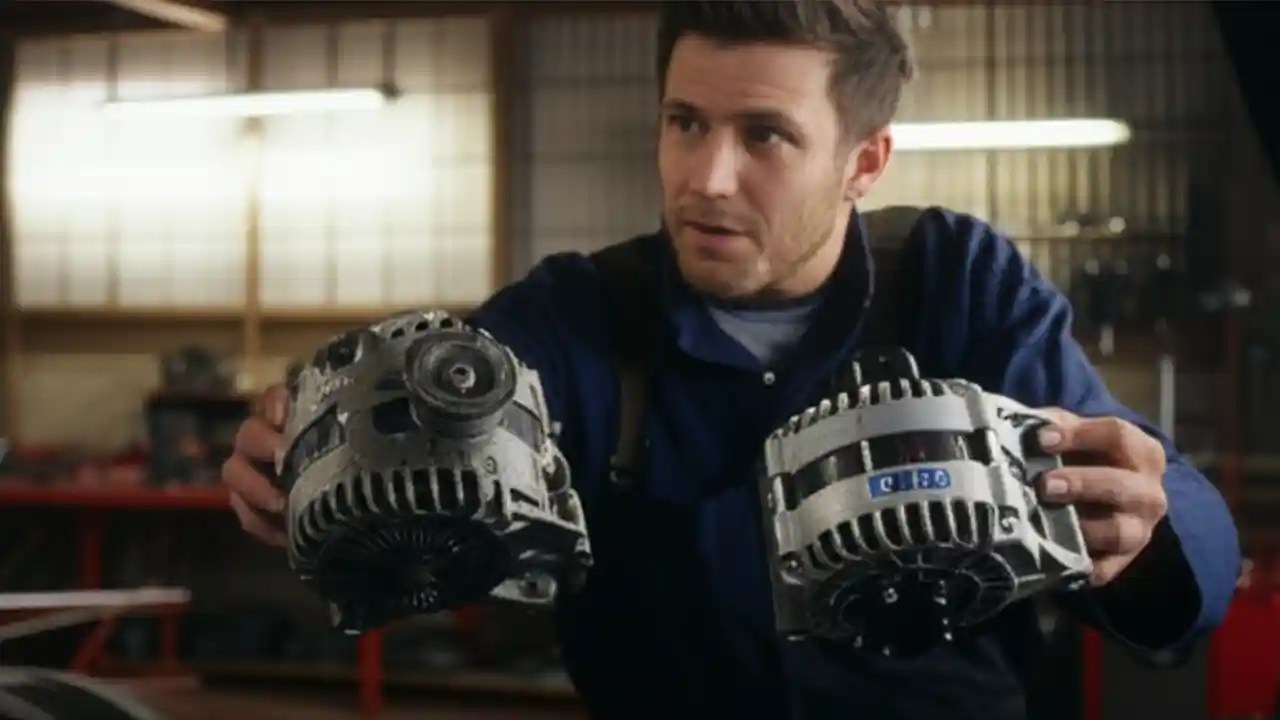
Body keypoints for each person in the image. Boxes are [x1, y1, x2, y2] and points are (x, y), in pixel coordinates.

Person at [221, 1, 1241, 717]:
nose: (705, 178)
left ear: (863, 162)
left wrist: (1141, 533)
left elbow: (1169, 538)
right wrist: (310, 454)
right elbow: (442, 413)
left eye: (764, 136)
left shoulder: (956, 286)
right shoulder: (579, 314)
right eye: (684, 123)